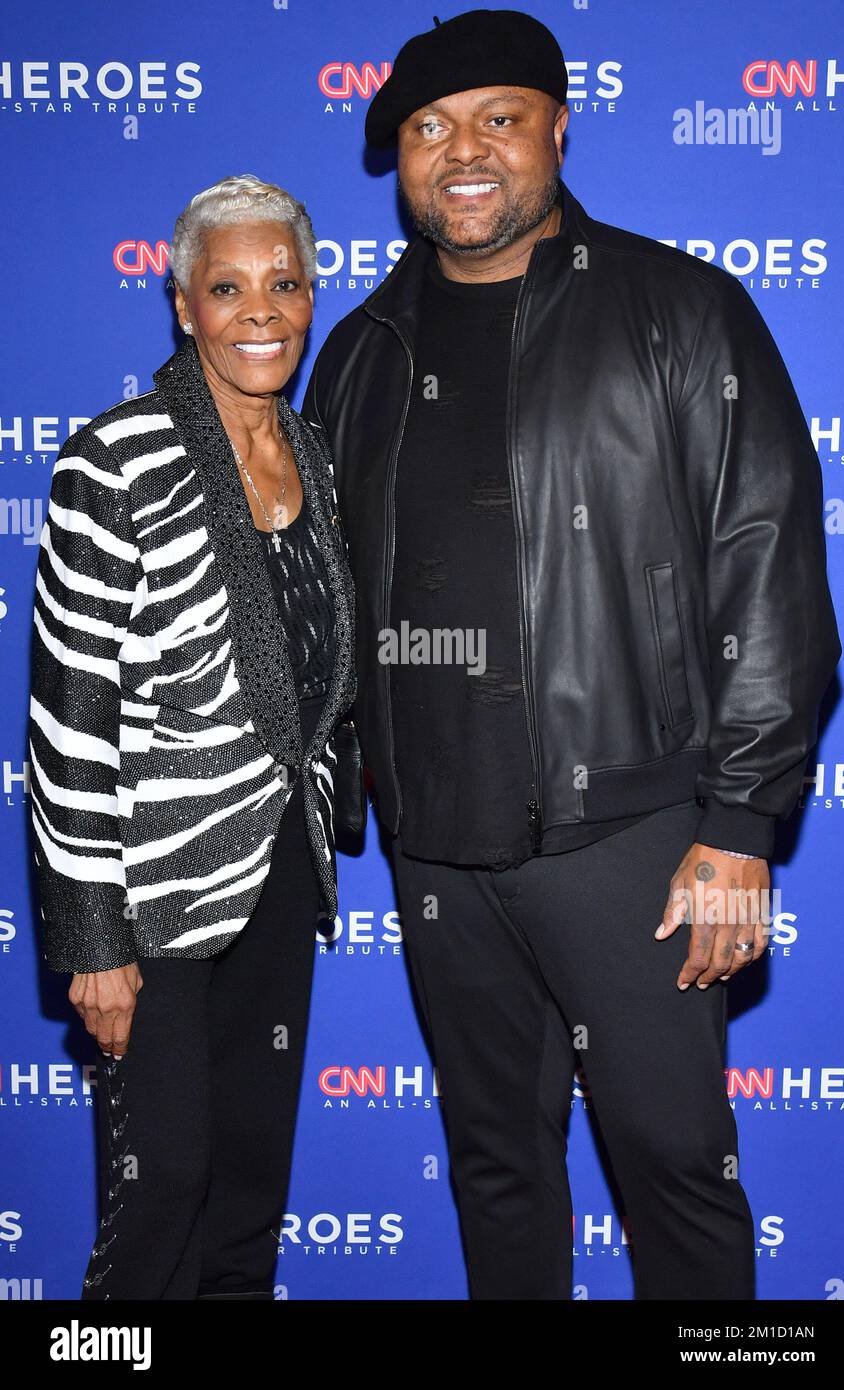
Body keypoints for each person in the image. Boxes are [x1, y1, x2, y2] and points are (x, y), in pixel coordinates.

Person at [301, 11, 841, 1300]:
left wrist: (741, 823)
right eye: (428, 129)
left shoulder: (680, 308)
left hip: (639, 839)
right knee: (494, 1167)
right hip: (440, 835)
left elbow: (767, 565)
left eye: (497, 116)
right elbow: (319, 599)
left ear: (557, 122)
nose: (463, 152)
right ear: (400, 163)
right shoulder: (363, 354)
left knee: (674, 1170)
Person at [28, 174, 355, 1300]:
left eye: (283, 283)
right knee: (159, 1187)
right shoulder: (115, 460)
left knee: (248, 1188)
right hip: (153, 900)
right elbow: (70, 723)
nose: (260, 310)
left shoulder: (314, 455)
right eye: (228, 287)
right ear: (183, 305)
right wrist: (89, 940)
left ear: (311, 296)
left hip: (275, 876)